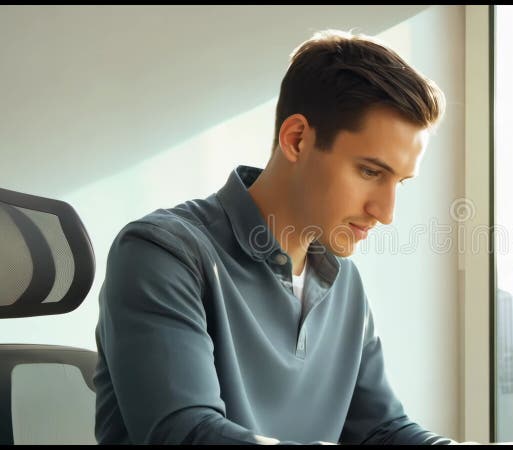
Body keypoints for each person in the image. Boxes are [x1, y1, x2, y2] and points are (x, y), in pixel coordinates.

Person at [93, 29, 458, 444]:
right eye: (370, 172)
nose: (387, 212)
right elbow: (186, 434)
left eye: (401, 182)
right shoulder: (162, 254)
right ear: (297, 139)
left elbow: (382, 431)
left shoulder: (344, 284)